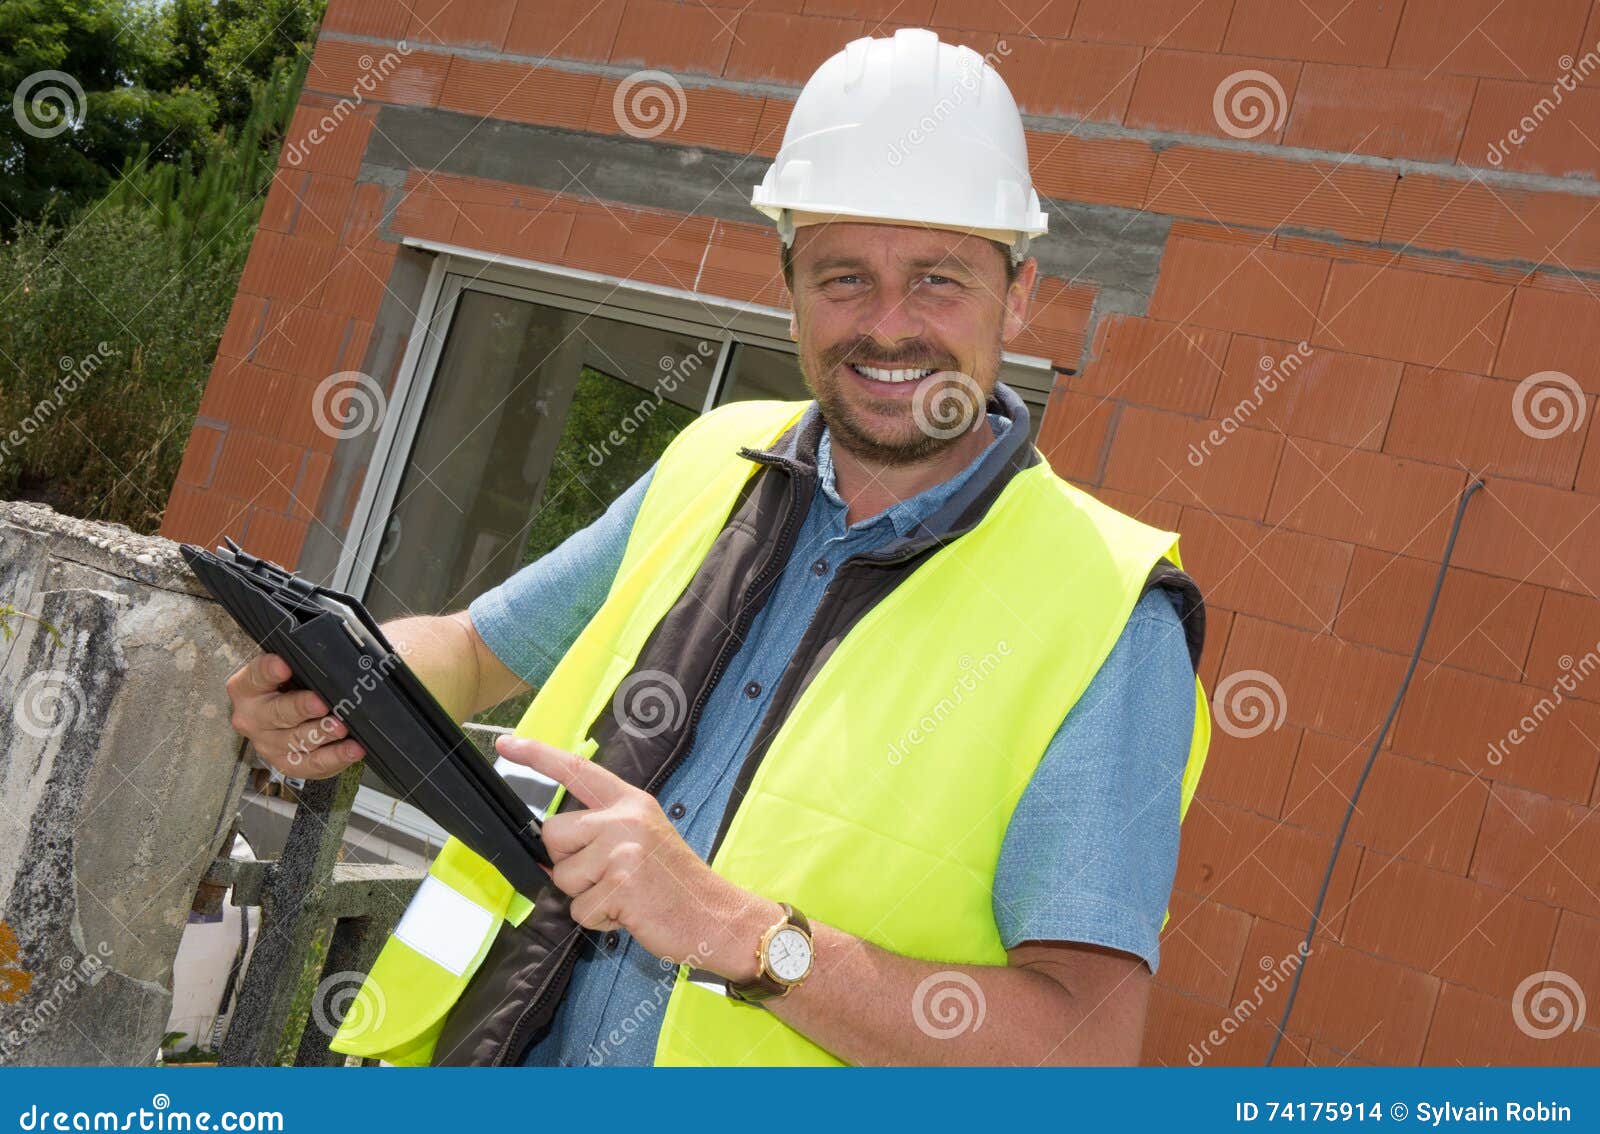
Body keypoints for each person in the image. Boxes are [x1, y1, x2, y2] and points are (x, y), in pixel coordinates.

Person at [224, 27, 1209, 1067]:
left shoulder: (1108, 607)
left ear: (1021, 294)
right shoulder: (713, 457)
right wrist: (325, 685)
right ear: (787, 285)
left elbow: (1083, 1049)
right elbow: (472, 652)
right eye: (841, 278)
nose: (886, 325)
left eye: (937, 279)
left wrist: (742, 933)